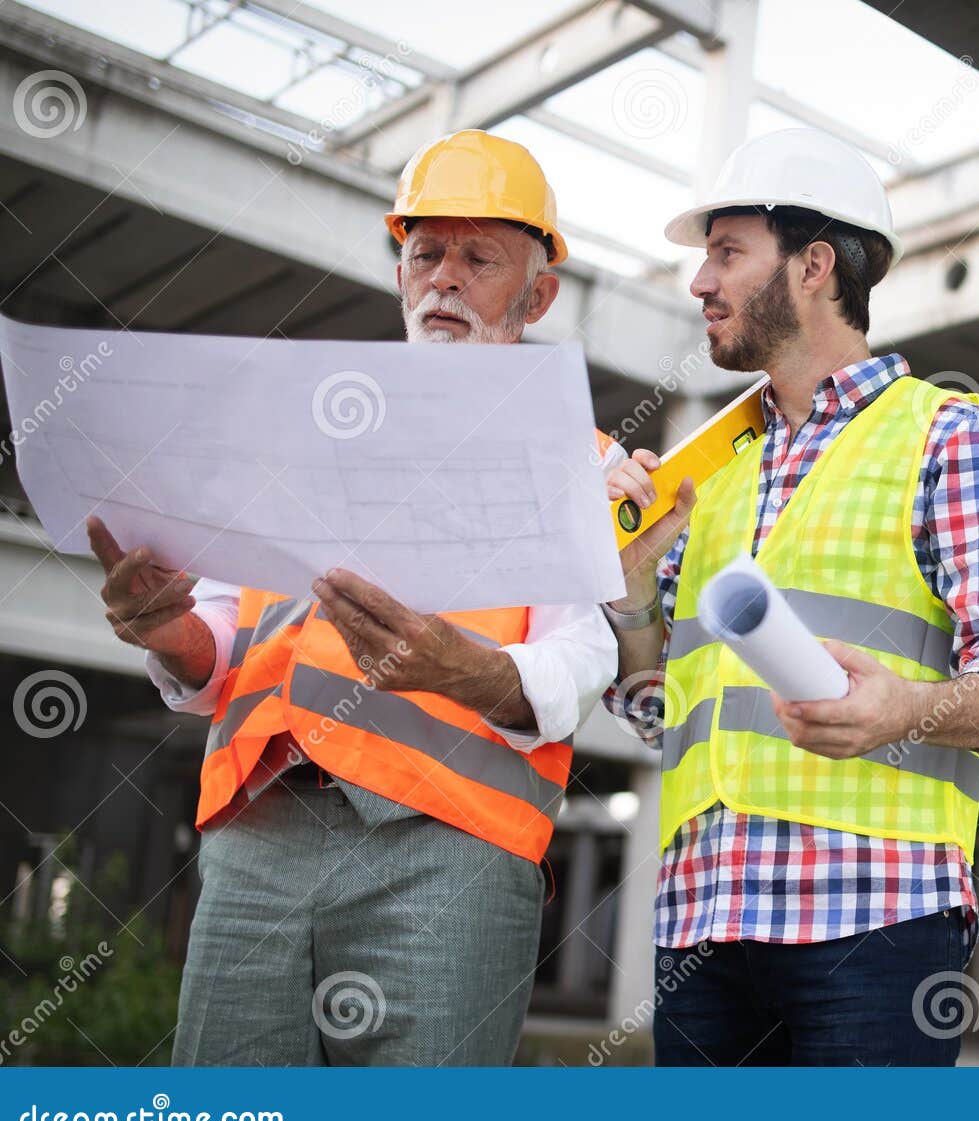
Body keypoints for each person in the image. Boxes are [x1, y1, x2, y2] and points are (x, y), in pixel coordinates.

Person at [90, 130, 624, 1065]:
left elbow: (585, 660)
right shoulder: (298, 428)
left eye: (478, 258)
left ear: (537, 296)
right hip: (259, 834)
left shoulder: (575, 459)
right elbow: (223, 639)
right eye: (425, 253)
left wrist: (462, 671)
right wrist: (169, 632)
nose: (443, 278)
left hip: (449, 850)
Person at [602, 128, 979, 1066]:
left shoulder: (957, 440)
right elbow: (658, 711)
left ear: (813, 267)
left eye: (727, 252)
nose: (699, 282)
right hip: (702, 921)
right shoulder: (705, 474)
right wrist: (632, 589)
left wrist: (907, 709)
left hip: (874, 921)